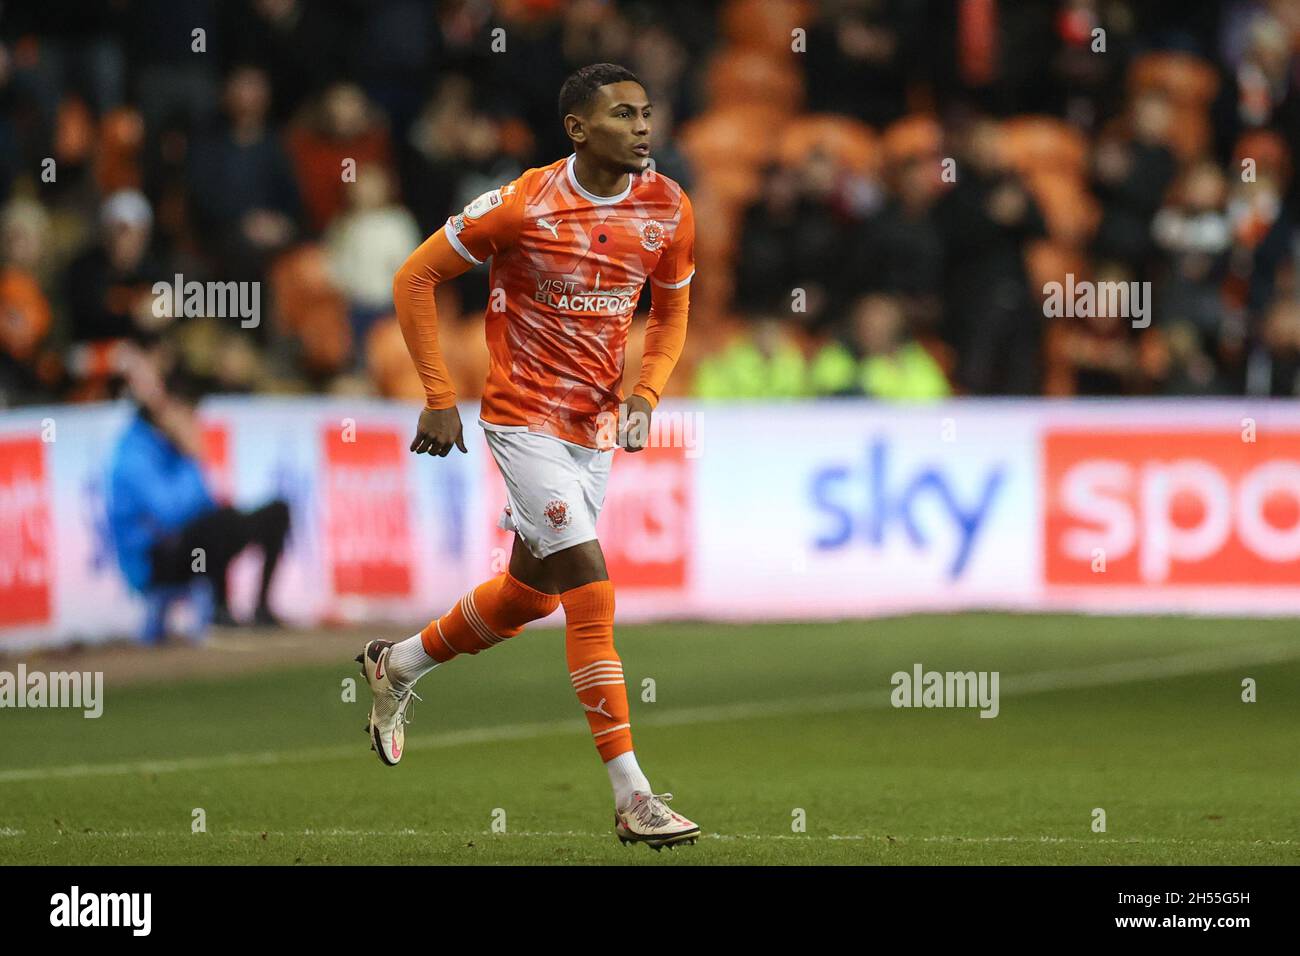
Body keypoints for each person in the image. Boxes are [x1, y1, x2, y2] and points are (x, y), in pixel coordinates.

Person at [356, 63, 699, 850]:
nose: (643, 126)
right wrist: (439, 394)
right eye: (623, 114)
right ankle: (633, 795)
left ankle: (397, 664)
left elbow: (673, 308)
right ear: (578, 128)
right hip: (522, 419)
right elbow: (415, 277)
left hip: (594, 428)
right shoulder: (523, 204)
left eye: (646, 113)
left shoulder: (669, 208)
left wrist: (645, 395)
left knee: (528, 595)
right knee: (589, 584)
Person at [108, 363, 290, 630]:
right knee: (216, 525)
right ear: (164, 413)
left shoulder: (170, 447)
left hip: (188, 544)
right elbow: (171, 514)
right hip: (153, 561)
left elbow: (204, 504)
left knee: (276, 512)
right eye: (185, 412)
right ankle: (219, 610)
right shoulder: (133, 456)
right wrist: (192, 456)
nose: (191, 420)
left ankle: (261, 609)